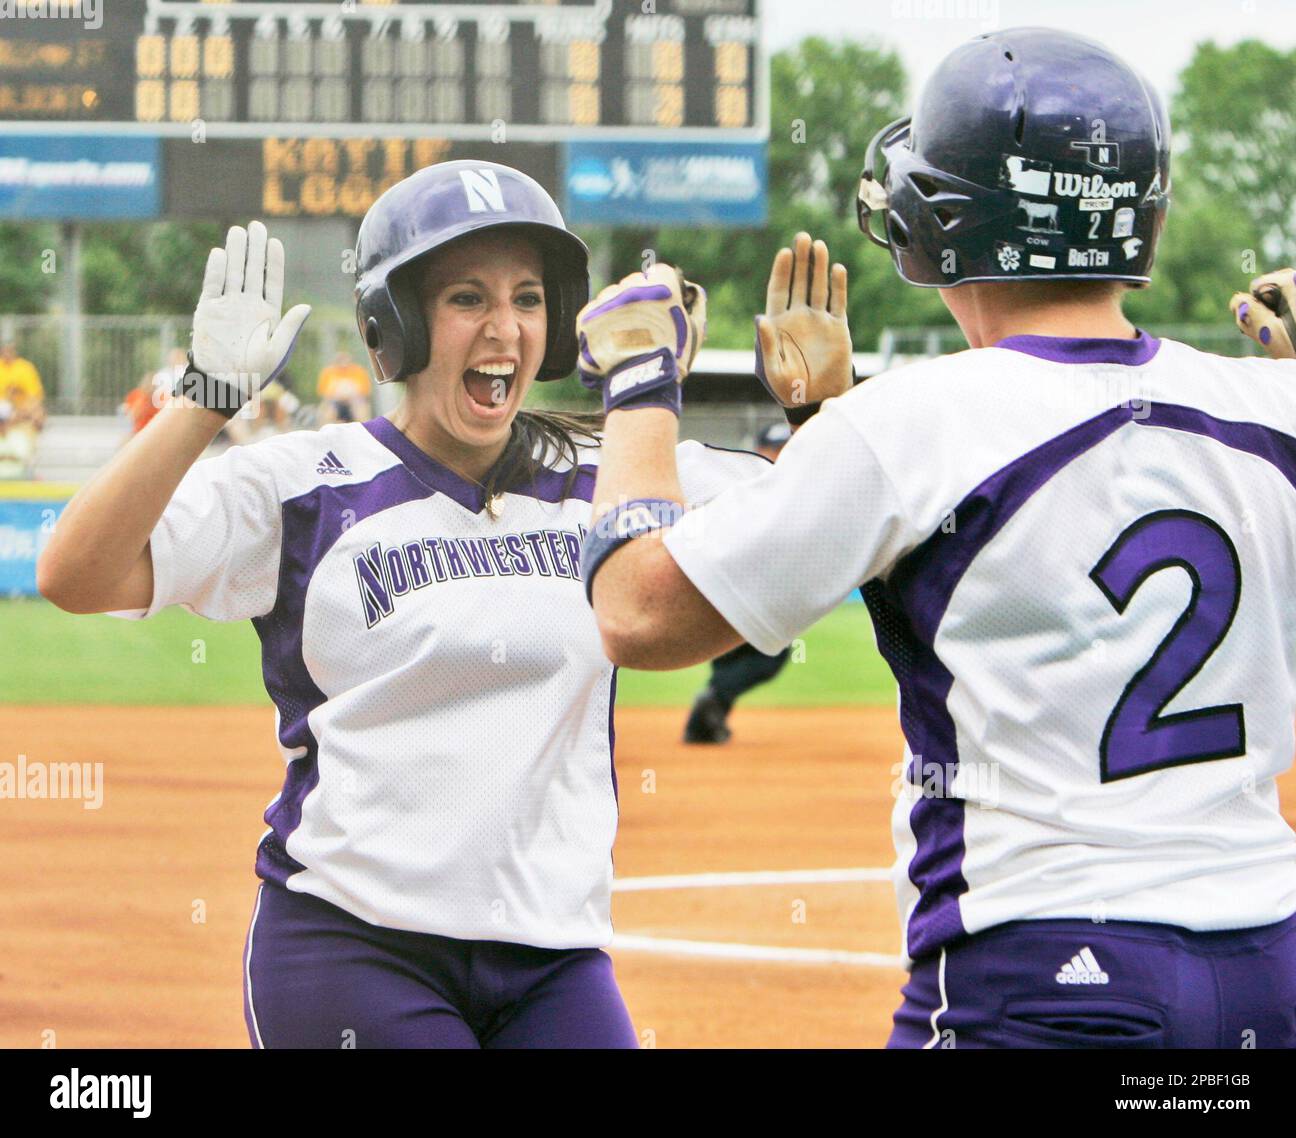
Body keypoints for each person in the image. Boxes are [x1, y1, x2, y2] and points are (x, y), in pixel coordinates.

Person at [578, 27, 1296, 1049]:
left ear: (943, 218)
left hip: (1048, 975)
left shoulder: (910, 421)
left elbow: (638, 611)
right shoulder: (1269, 406)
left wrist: (638, 384)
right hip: (1265, 972)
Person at [35, 161, 817, 1049]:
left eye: (528, 298)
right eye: (464, 299)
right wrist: (203, 400)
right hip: (352, 946)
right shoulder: (309, 487)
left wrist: (816, 408)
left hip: (553, 957)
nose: (504, 328)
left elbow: (834, 519)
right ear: (392, 331)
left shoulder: (611, 480)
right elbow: (77, 573)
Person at [682, 421, 794, 744]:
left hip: (729, 580)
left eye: (785, 448)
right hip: (741, 579)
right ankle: (712, 703)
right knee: (771, 654)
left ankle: (707, 720)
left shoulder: (765, 483)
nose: (780, 454)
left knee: (735, 654)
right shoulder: (751, 483)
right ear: (759, 450)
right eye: (775, 448)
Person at [316, 348, 372, 424]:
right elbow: (323, 391)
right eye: (340, 360)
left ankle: (365, 428)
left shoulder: (358, 371)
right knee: (327, 411)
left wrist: (350, 393)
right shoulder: (329, 372)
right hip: (334, 401)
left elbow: (365, 390)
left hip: (355, 400)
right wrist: (338, 392)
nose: (343, 362)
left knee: (362, 410)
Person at [0, 342, 45, 433]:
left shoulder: (25, 368)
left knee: (37, 414)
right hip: (3, 406)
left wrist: (23, 409)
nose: (7, 353)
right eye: (5, 350)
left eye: (10, 350)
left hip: (21, 407)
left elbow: (35, 395)